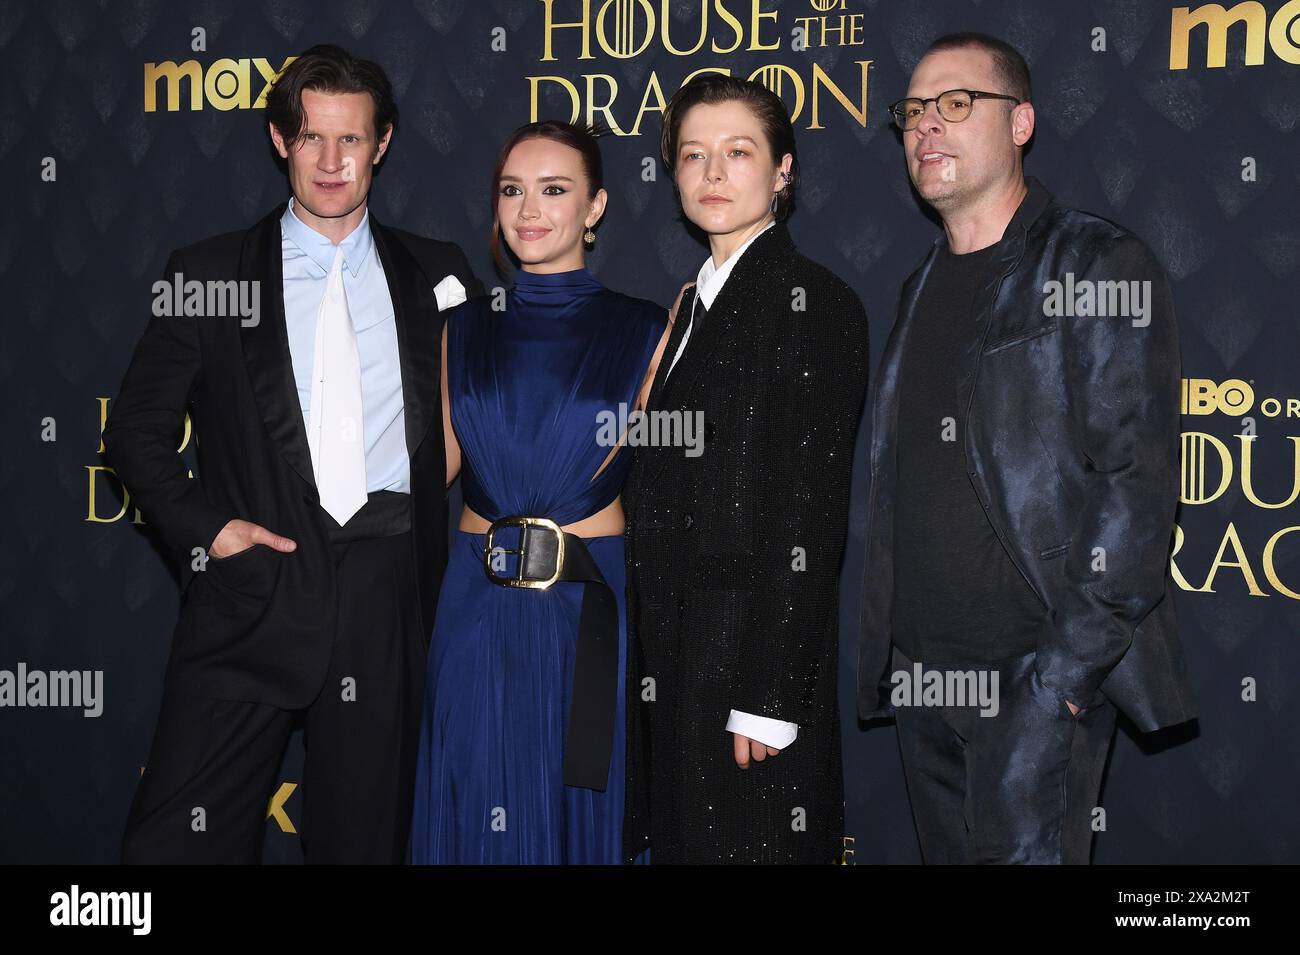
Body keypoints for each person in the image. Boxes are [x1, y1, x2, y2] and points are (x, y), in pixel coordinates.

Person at [104, 44, 483, 863]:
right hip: (251, 590)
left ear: (381, 144)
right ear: (281, 139)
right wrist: (211, 531)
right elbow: (134, 430)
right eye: (311, 137)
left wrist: (416, 491)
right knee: (176, 846)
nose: (331, 161)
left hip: (387, 595)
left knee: (364, 846)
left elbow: (472, 413)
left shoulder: (440, 274)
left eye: (350, 140)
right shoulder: (206, 272)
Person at [855, 32, 1196, 864]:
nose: (927, 126)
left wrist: (1060, 683)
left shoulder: (1098, 261)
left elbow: (1135, 487)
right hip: (927, 683)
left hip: (1031, 685)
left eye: (957, 104)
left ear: (1023, 123)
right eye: (913, 112)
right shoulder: (919, 284)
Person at [623, 75, 870, 864]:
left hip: (745, 683)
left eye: (738, 152)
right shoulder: (692, 305)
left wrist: (770, 697)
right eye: (693, 155)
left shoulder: (811, 300)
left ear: (783, 170)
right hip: (675, 661)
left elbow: (810, 510)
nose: (713, 173)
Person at [410, 121, 669, 864]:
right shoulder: (462, 328)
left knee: (577, 810)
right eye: (513, 190)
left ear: (595, 207)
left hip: (587, 607)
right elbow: (432, 470)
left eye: (555, 190)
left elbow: (679, 486)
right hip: (474, 612)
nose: (530, 209)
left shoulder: (647, 329)